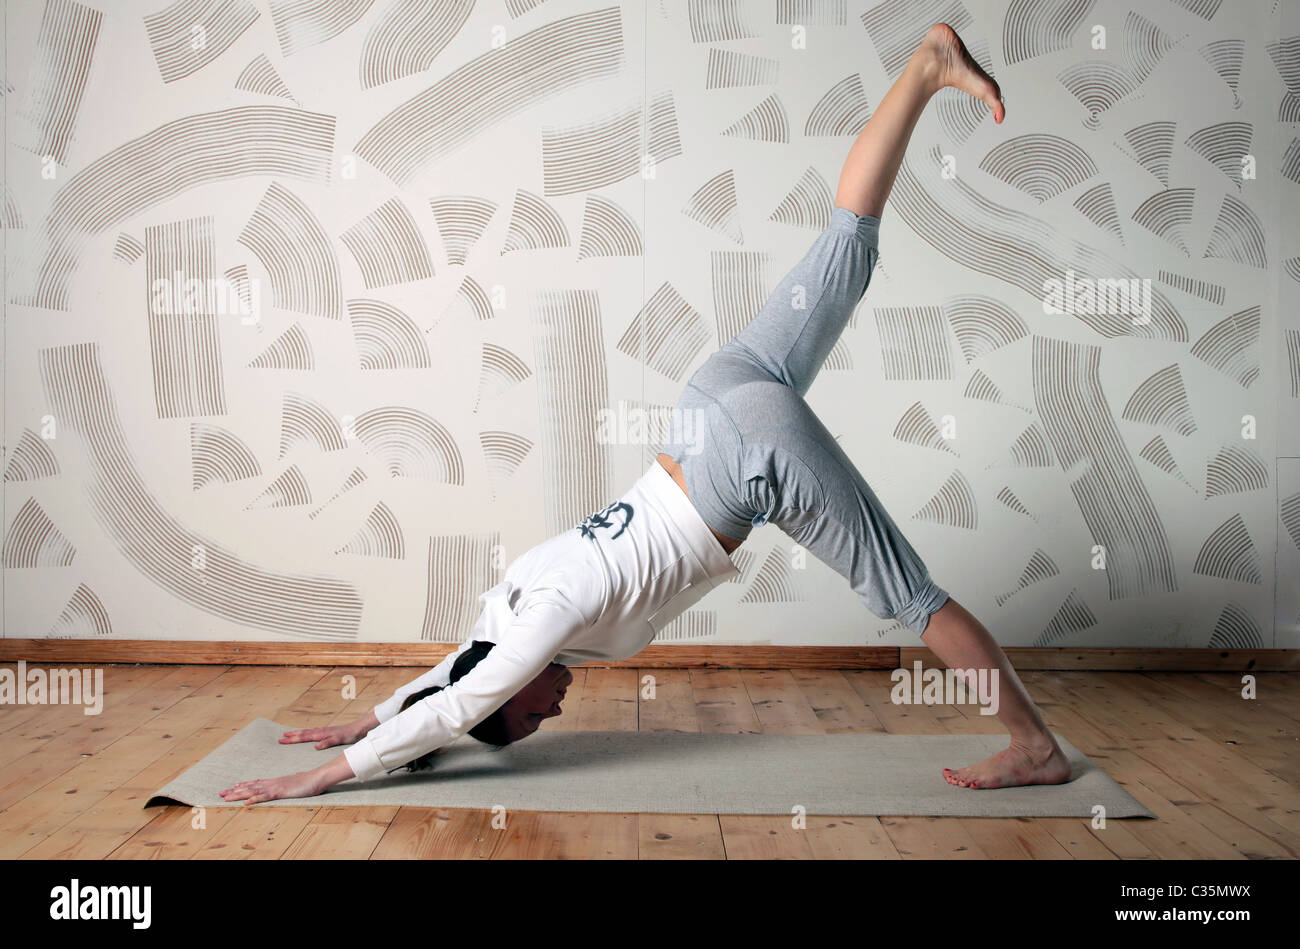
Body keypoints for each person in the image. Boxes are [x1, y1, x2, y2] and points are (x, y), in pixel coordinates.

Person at [220, 23, 1070, 806]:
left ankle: (1034, 746)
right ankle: (925, 68)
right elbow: (453, 675)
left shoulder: (534, 632)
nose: (549, 713)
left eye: (527, 720)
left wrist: (326, 773)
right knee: (849, 241)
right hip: (713, 398)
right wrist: (368, 717)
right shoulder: (512, 603)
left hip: (745, 459)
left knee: (911, 593)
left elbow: (455, 706)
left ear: (510, 694)